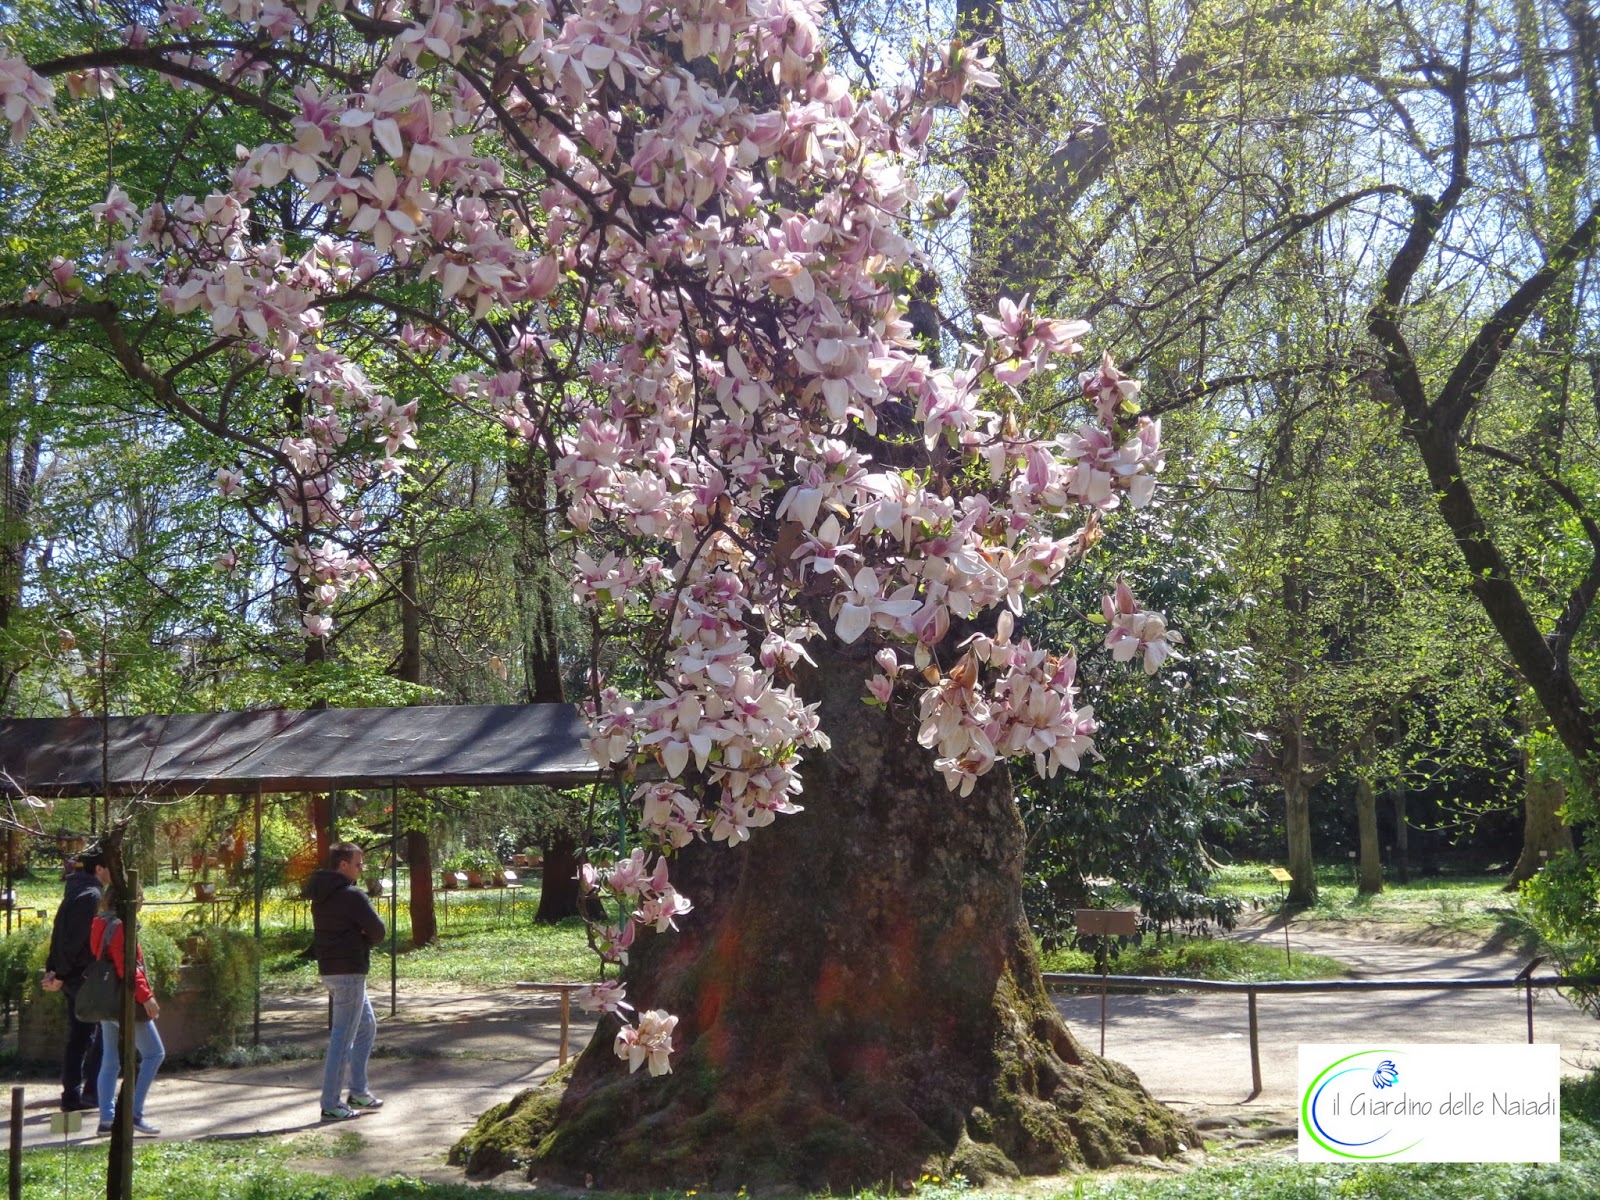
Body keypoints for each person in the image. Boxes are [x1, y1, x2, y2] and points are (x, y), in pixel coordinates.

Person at [305, 843, 386, 1122]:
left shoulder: (321, 894)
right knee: (343, 1037)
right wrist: (364, 938)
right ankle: (330, 1102)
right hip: (350, 973)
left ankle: (359, 1091)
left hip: (331, 970)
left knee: (366, 1026)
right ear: (343, 865)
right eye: (358, 863)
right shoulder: (352, 896)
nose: (361, 869)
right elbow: (378, 931)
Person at [89, 865, 164, 1136]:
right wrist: (147, 998)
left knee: (110, 1060)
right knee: (155, 1053)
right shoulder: (121, 927)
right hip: (124, 1001)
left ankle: (107, 1119)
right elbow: (128, 968)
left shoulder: (99, 922)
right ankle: (132, 1113)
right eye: (140, 900)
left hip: (106, 1001)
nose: (142, 905)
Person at [40, 849, 105, 1113]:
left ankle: (78, 1094)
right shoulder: (92, 897)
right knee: (92, 1037)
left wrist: (54, 971)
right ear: (99, 869)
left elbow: (58, 936)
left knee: (83, 1037)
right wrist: (61, 974)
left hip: (72, 977)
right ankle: (83, 1094)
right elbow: (74, 940)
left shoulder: (74, 893)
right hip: (84, 979)